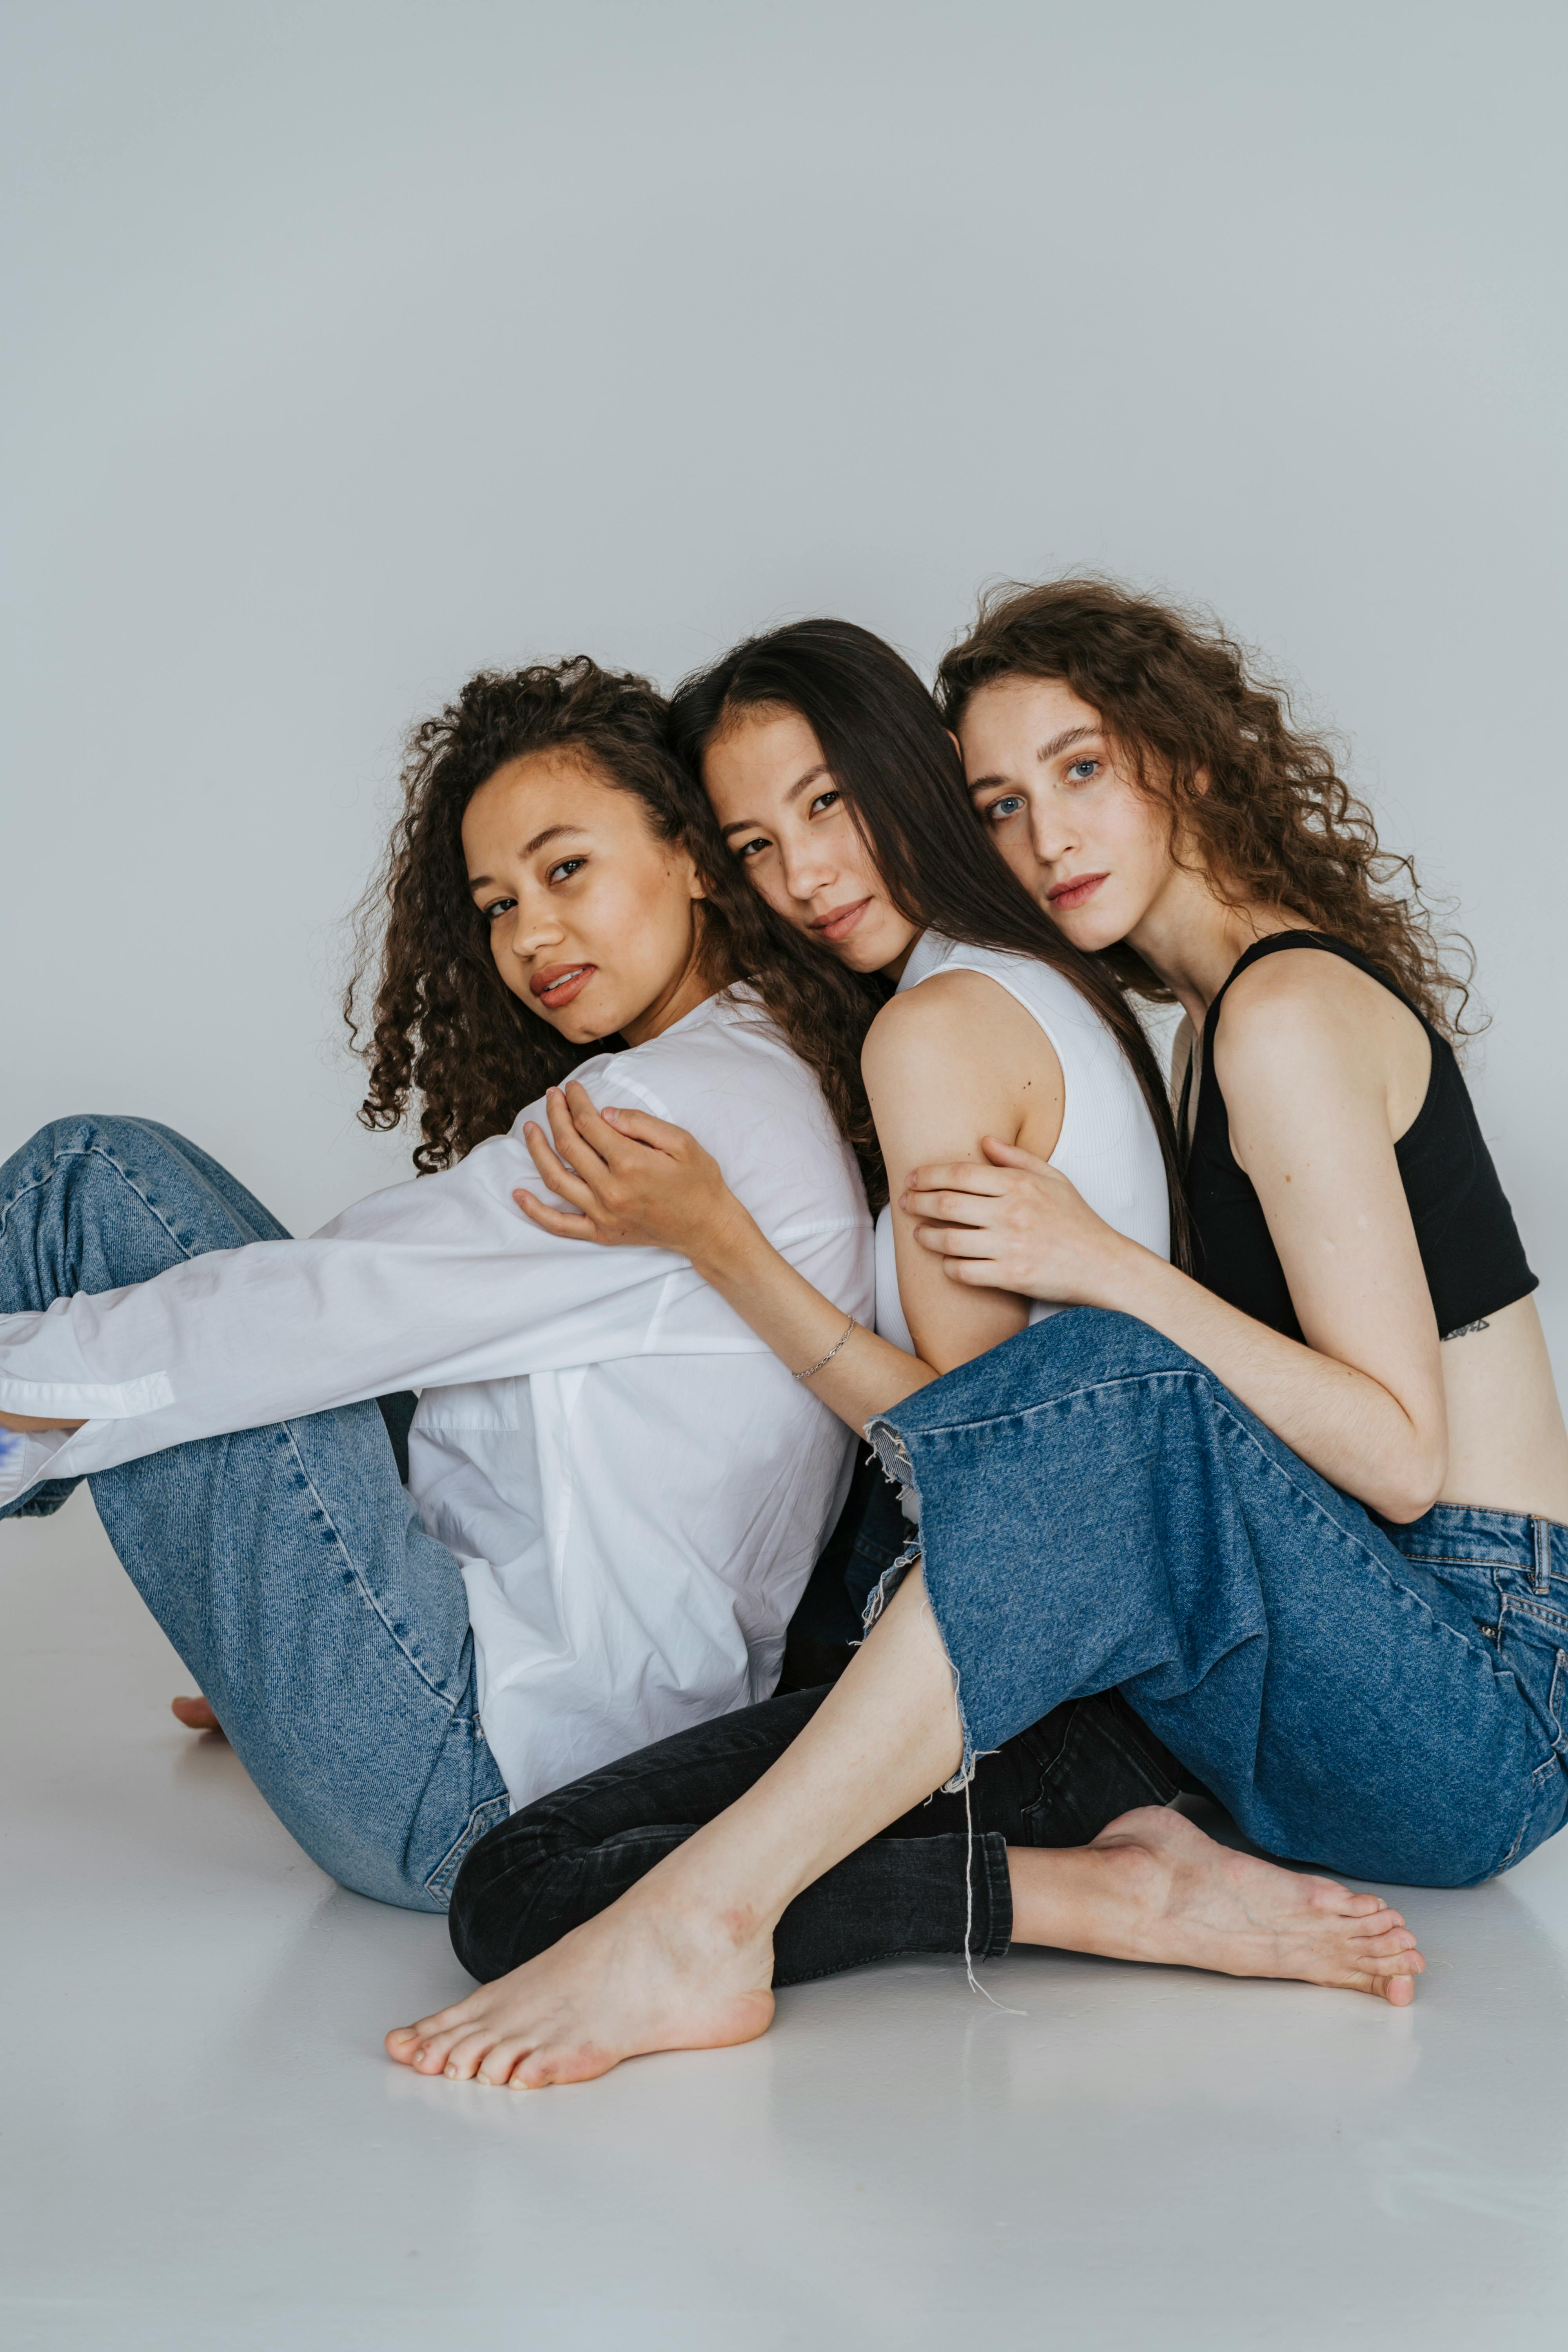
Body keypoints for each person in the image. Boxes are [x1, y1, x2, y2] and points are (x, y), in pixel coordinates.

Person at [392, 580, 1566, 2089]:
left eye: (1082, 771)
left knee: (1085, 1378)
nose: (1045, 837)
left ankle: (706, 1918)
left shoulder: (1280, 1015)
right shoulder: (1190, 1027)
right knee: (523, 1883)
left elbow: (1403, 1466)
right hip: (1265, 1671)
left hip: (1475, 1702)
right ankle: (1108, 1897)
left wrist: (1102, 1271)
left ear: (1190, 759)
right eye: (1001, 801)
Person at [0, 656, 877, 1909]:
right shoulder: (756, 1067)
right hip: (583, 1754)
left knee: (98, 1184)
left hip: (464, 1776)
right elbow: (373, 1302)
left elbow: (336, 1306)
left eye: (564, 869)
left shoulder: (667, 1114)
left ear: (692, 855)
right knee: (215, 1317)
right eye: (496, 904)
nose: (529, 934)